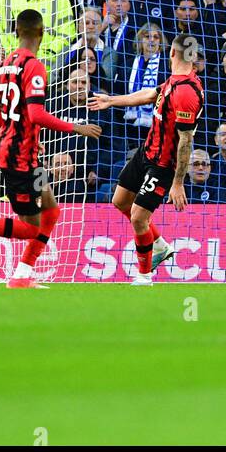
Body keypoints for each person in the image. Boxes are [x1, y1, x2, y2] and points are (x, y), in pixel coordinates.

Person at [0, 10, 101, 287]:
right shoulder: (34, 66)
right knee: (29, 228)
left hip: (24, 153)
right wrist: (77, 128)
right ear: (42, 32)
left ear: (15, 31)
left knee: (51, 210)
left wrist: (14, 128)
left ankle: (23, 274)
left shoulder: (6, 63)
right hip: (20, 160)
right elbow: (36, 115)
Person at [87, 32, 205, 285]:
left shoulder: (187, 91)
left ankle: (144, 275)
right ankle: (160, 244)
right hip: (146, 152)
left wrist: (177, 182)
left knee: (139, 217)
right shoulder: (175, 81)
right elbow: (151, 94)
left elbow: (186, 141)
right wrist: (112, 101)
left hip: (163, 164)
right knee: (120, 202)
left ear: (172, 53)